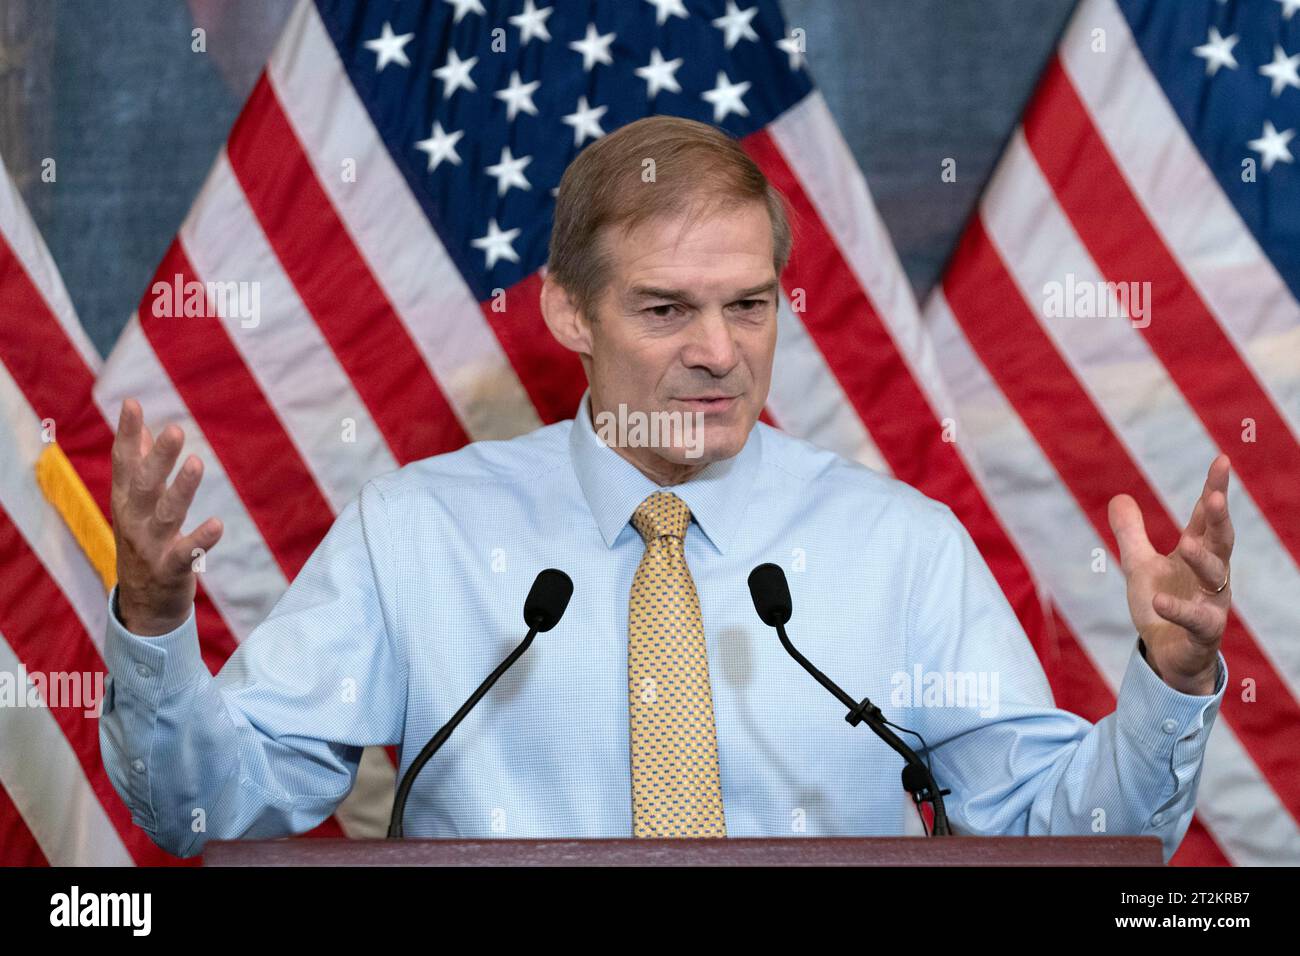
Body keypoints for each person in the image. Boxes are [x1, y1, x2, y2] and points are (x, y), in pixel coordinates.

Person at [99, 115, 1231, 860]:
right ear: (566, 314)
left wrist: (1167, 684)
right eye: (664, 308)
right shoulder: (421, 531)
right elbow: (207, 803)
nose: (720, 350)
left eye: (749, 303)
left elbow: (1055, 832)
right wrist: (155, 626)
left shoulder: (902, 546)